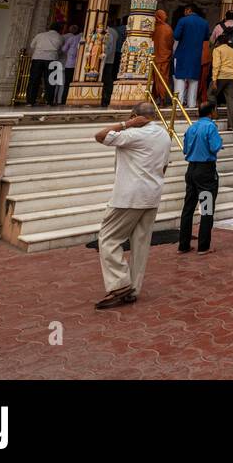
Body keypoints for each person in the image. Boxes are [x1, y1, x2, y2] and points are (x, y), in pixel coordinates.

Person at [92, 102, 171, 309]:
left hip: (129, 196)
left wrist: (125, 124)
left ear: (136, 117)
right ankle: (133, 288)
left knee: (108, 239)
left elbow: (99, 136)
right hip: (152, 194)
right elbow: (164, 165)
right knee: (141, 243)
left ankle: (119, 285)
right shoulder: (164, 134)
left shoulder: (134, 134)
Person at [178, 100, 222, 255]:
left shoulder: (192, 128)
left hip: (191, 169)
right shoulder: (211, 127)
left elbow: (185, 149)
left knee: (188, 207)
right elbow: (215, 147)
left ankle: (183, 244)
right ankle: (203, 245)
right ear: (212, 111)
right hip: (205, 171)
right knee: (206, 208)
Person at [27, 22, 64, 106]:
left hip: (37, 57)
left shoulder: (40, 35)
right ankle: (49, 101)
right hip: (51, 58)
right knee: (50, 80)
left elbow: (32, 45)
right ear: (60, 29)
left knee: (34, 80)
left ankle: (30, 101)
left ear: (49, 28)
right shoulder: (60, 37)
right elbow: (60, 49)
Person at [211, 32, 233, 130]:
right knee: (231, 100)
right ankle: (231, 125)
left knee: (211, 94)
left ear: (218, 41)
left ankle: (213, 114)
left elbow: (216, 65)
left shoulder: (217, 49)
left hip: (221, 75)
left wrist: (214, 79)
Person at [151, 9, 173, 103]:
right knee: (163, 78)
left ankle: (154, 98)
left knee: (154, 78)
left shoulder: (152, 28)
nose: (167, 17)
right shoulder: (167, 28)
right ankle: (162, 99)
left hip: (154, 56)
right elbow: (170, 43)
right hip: (164, 56)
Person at [58, 23, 81, 104]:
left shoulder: (71, 39)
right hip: (80, 65)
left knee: (67, 83)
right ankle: (74, 100)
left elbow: (64, 49)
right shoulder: (82, 37)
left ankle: (64, 100)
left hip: (70, 64)